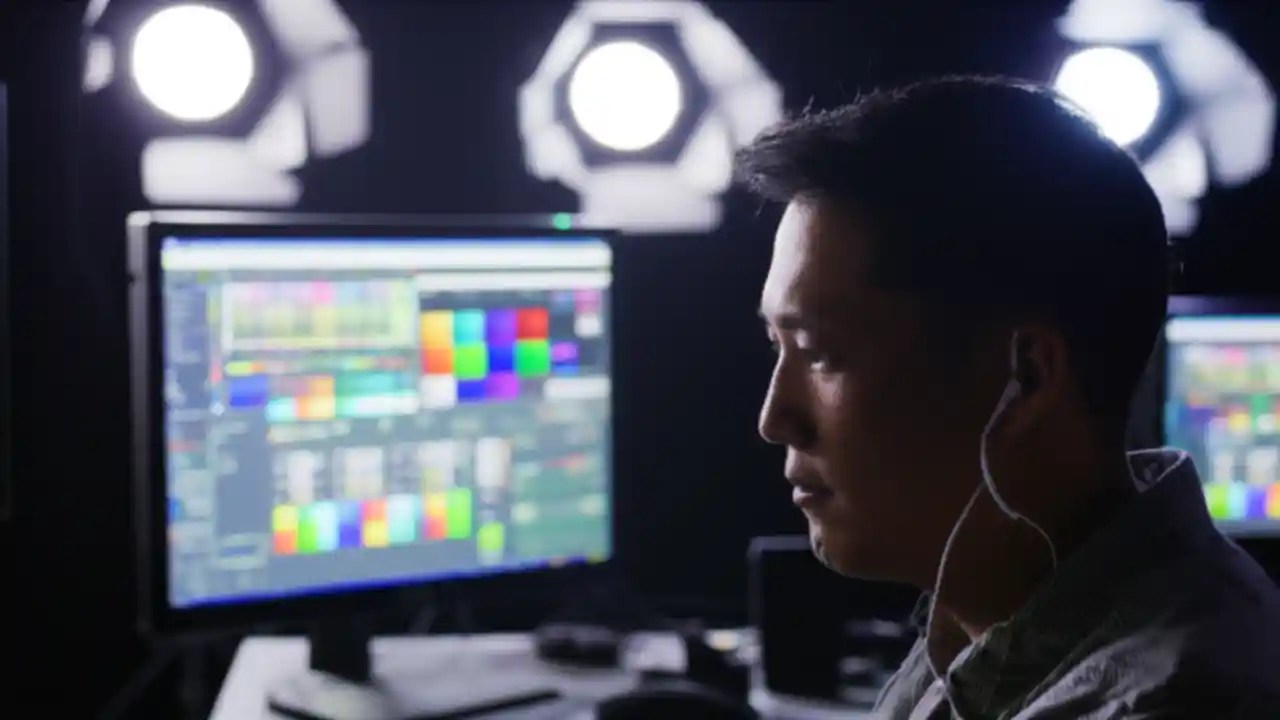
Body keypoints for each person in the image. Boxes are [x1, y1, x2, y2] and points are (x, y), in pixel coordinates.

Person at [738, 75, 1280, 718]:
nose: (776, 420)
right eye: (779, 347)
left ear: (1027, 381)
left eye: (822, 353)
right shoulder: (990, 622)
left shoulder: (1172, 700)